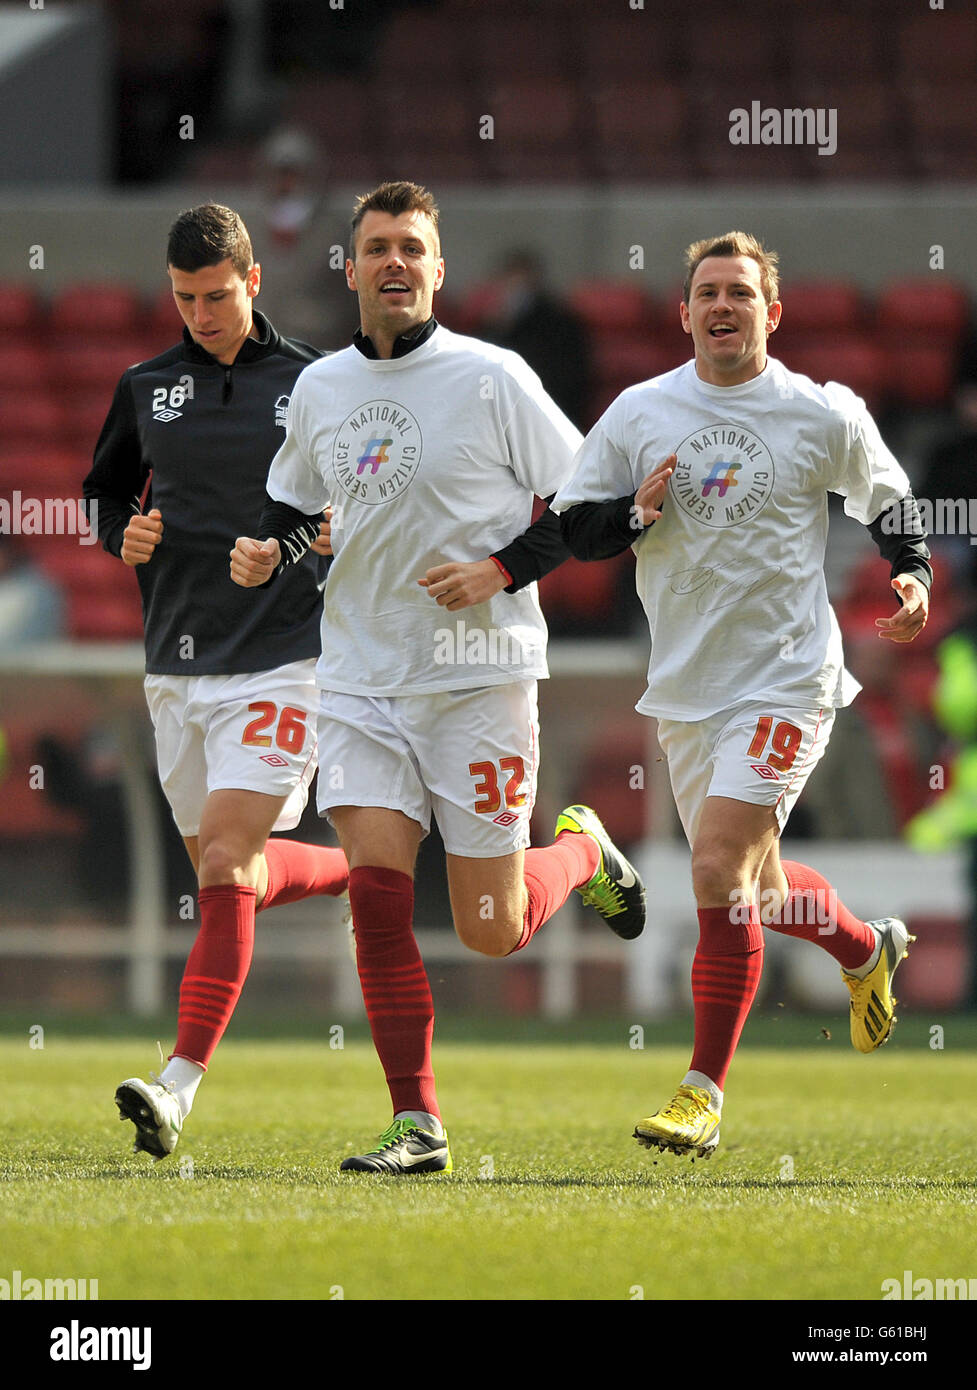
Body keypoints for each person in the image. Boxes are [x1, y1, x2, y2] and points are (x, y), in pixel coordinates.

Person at [230, 180, 646, 1175]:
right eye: (378, 247)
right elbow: (297, 507)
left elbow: (592, 504)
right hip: (363, 678)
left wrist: (499, 570)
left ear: (438, 268)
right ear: (352, 268)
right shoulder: (322, 388)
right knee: (375, 897)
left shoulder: (492, 377)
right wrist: (266, 551)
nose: (395, 263)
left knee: (490, 929)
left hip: (479, 678)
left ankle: (582, 855)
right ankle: (416, 1122)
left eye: (413, 247)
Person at [554, 231, 932, 1159]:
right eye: (705, 293)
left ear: (772, 311)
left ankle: (700, 1094)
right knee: (755, 891)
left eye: (739, 292)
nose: (721, 306)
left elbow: (887, 497)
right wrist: (631, 513)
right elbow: (575, 528)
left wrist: (912, 571)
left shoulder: (816, 410)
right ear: (682, 313)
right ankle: (863, 949)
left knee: (718, 868)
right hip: (687, 688)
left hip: (786, 677)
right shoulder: (640, 411)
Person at [82, 204, 349, 1161]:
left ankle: (178, 1085)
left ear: (254, 283)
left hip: (284, 654)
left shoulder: (318, 381)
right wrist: (124, 535)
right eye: (186, 298)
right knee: (228, 871)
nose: (201, 312)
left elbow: (349, 504)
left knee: (230, 860)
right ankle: (364, 866)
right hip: (176, 663)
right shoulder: (144, 387)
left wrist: (285, 547)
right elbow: (105, 492)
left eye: (218, 295)